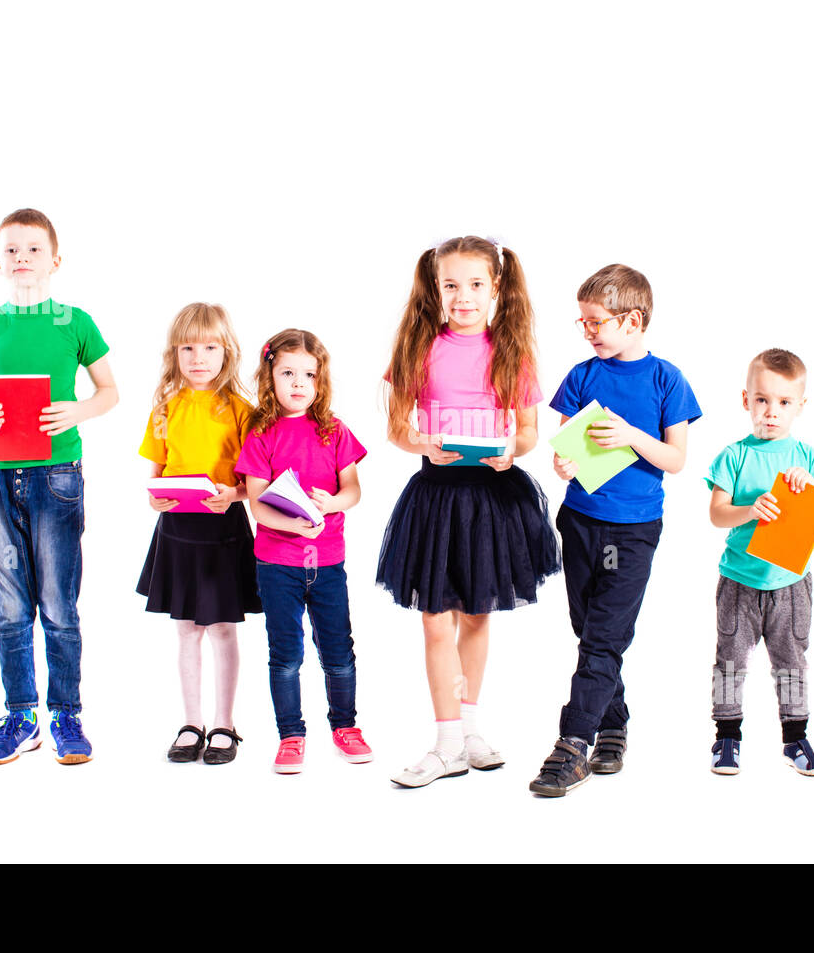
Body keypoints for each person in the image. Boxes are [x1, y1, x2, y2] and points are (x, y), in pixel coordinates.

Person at [378, 235, 560, 789]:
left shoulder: (513, 353)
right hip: (435, 497)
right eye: (451, 285)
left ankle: (472, 731)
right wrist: (423, 444)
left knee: (477, 615)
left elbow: (528, 432)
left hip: (491, 499)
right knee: (435, 621)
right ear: (435, 289)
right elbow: (397, 429)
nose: (463, 296)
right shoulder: (417, 348)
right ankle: (447, 741)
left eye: (476, 285)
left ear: (496, 289)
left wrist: (513, 451)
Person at [529, 264, 702, 796]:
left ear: (633, 320)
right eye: (581, 322)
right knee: (592, 633)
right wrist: (564, 466)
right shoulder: (582, 375)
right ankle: (614, 724)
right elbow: (563, 447)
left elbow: (675, 459)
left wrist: (630, 435)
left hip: (633, 530)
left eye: (595, 321)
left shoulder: (665, 378)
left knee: (604, 636)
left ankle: (573, 743)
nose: (587, 331)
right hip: (580, 521)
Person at [0, 208, 118, 765]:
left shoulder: (75, 322)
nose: (22, 258)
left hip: (57, 477)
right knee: (9, 605)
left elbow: (109, 393)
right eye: (11, 249)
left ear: (56, 259)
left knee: (58, 603)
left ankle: (66, 713)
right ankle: (20, 715)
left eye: (33, 249)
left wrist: (77, 411)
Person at [706, 348, 814, 776]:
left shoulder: (807, 458)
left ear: (800, 407)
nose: (771, 412)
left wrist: (812, 486)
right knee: (730, 659)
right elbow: (717, 514)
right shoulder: (734, 456)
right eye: (763, 400)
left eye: (784, 403)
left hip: (790, 582)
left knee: (791, 662)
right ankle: (726, 737)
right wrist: (751, 509)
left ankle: (795, 740)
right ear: (745, 400)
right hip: (739, 580)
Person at [237, 329, 372, 774]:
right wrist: (291, 522)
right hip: (278, 565)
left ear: (320, 380)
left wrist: (333, 503)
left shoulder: (334, 431)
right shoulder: (261, 434)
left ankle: (345, 727)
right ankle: (291, 735)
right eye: (288, 373)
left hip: (328, 561)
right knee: (286, 653)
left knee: (337, 649)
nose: (298, 383)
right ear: (270, 376)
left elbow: (352, 489)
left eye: (308, 375)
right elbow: (257, 504)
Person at [137, 303, 261, 765]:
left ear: (226, 352)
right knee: (186, 630)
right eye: (188, 347)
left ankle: (225, 724)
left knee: (224, 630)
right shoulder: (165, 408)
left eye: (209, 347)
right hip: (177, 530)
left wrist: (234, 493)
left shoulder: (242, 410)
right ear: (175, 353)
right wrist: (154, 498)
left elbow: (252, 484)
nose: (198, 357)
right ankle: (191, 723)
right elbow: (155, 475)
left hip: (224, 527)